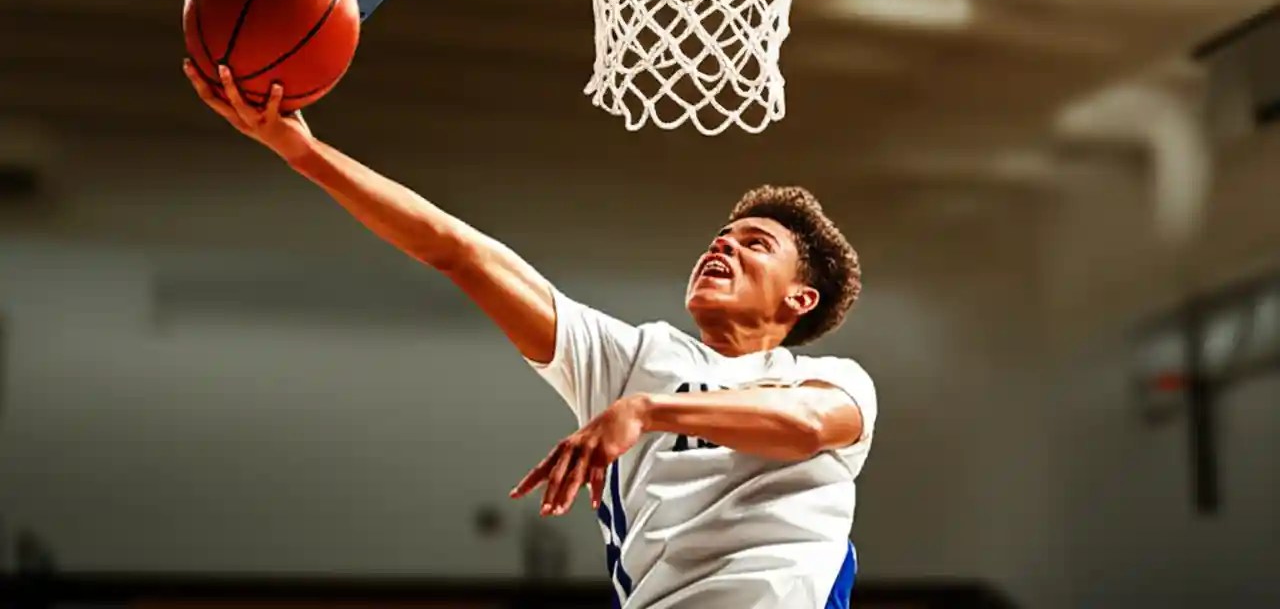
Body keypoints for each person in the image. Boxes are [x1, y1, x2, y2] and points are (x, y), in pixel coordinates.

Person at [183, 63, 878, 609]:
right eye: (717, 239)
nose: (719, 249)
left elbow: (806, 426)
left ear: (800, 298)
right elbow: (457, 250)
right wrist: (302, 152)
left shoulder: (833, 383)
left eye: (751, 244)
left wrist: (647, 411)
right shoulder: (630, 358)